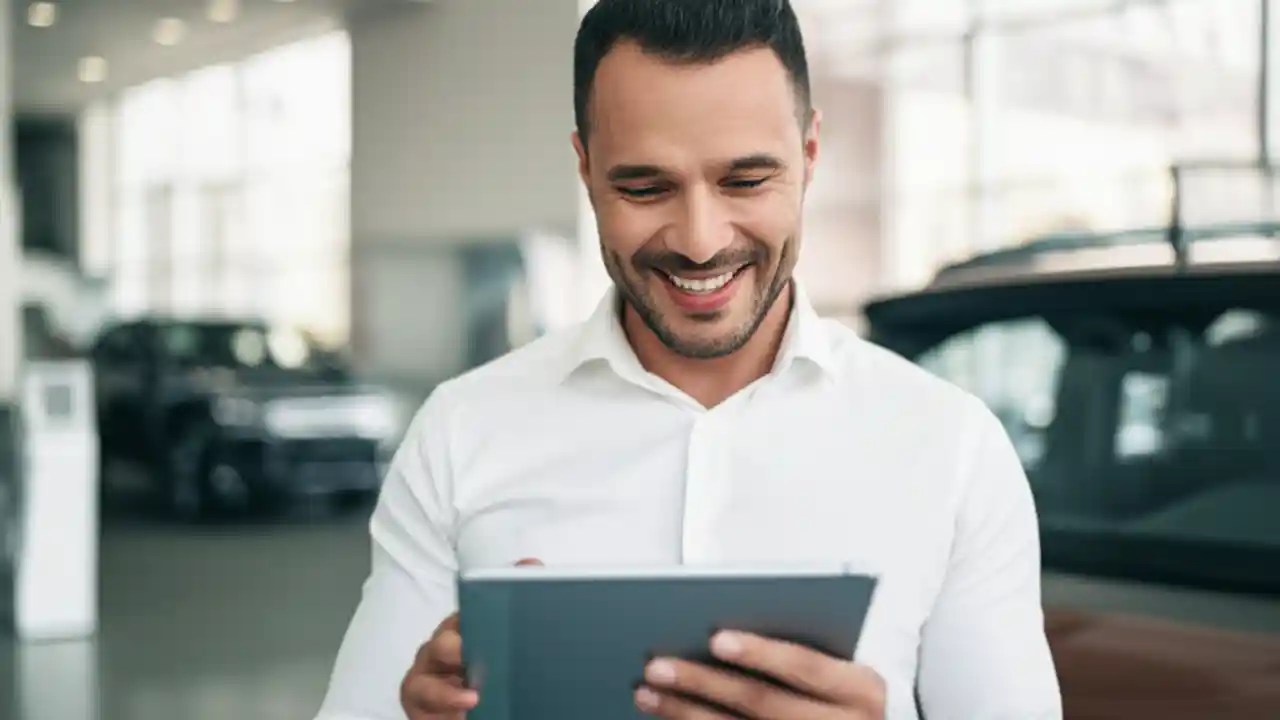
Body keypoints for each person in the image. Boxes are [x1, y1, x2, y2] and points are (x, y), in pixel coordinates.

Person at [316, 1, 1063, 718]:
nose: (701, 241)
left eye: (746, 181)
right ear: (585, 168)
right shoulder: (460, 433)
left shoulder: (952, 447)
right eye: (645, 187)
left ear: (809, 155)